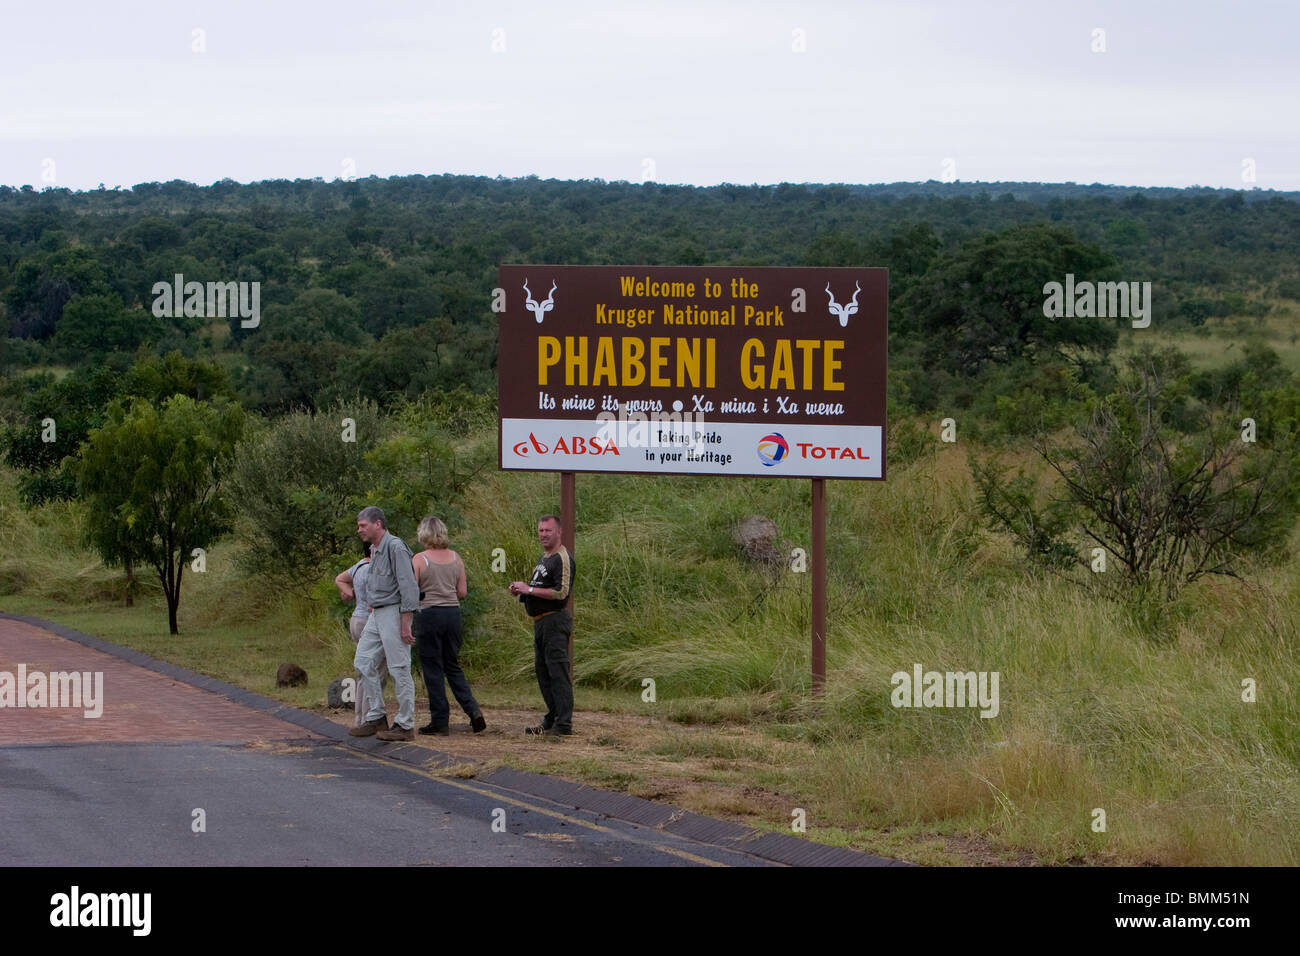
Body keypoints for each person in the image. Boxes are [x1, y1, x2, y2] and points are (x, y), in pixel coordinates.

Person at [349, 506, 420, 742]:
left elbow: (408, 585)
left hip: (392, 610)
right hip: (376, 613)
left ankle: (405, 723)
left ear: (377, 524)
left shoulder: (395, 547)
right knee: (363, 661)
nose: (359, 530)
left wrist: (405, 621)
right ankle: (377, 715)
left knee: (399, 667)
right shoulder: (374, 548)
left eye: (363, 525)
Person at [411, 516, 486, 736]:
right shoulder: (456, 558)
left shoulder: (419, 559)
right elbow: (462, 592)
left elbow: (412, 591)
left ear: (424, 534)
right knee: (452, 665)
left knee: (433, 667)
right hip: (453, 614)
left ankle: (440, 719)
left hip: (429, 614)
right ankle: (473, 710)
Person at [508, 514, 575, 736]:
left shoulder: (562, 558)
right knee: (543, 672)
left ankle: (563, 724)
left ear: (559, 532)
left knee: (558, 672)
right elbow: (538, 586)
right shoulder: (544, 557)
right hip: (540, 622)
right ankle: (553, 717)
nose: (543, 534)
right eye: (540, 530)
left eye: (547, 530)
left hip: (555, 621)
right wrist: (522, 590)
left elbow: (561, 592)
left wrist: (529, 589)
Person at [334, 543, 389, 728]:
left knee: (364, 670)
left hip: (356, 619)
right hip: (370, 620)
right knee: (376, 671)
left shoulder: (358, 566)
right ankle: (369, 716)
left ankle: (359, 717)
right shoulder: (375, 569)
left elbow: (340, 579)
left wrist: (350, 594)